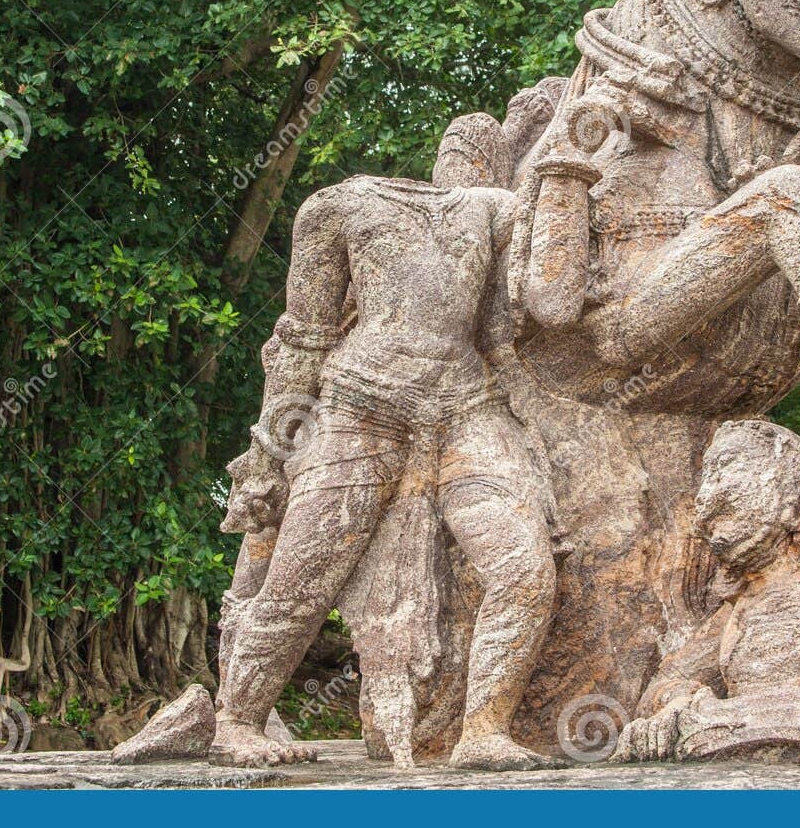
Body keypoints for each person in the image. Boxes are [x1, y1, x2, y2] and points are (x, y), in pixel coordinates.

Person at [212, 114, 560, 770]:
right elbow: (304, 338)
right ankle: (237, 719)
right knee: (300, 579)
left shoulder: (493, 209)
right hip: (359, 407)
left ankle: (483, 731)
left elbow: (530, 301)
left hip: (463, 406)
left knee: (523, 567)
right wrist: (266, 454)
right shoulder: (337, 206)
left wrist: (567, 164)